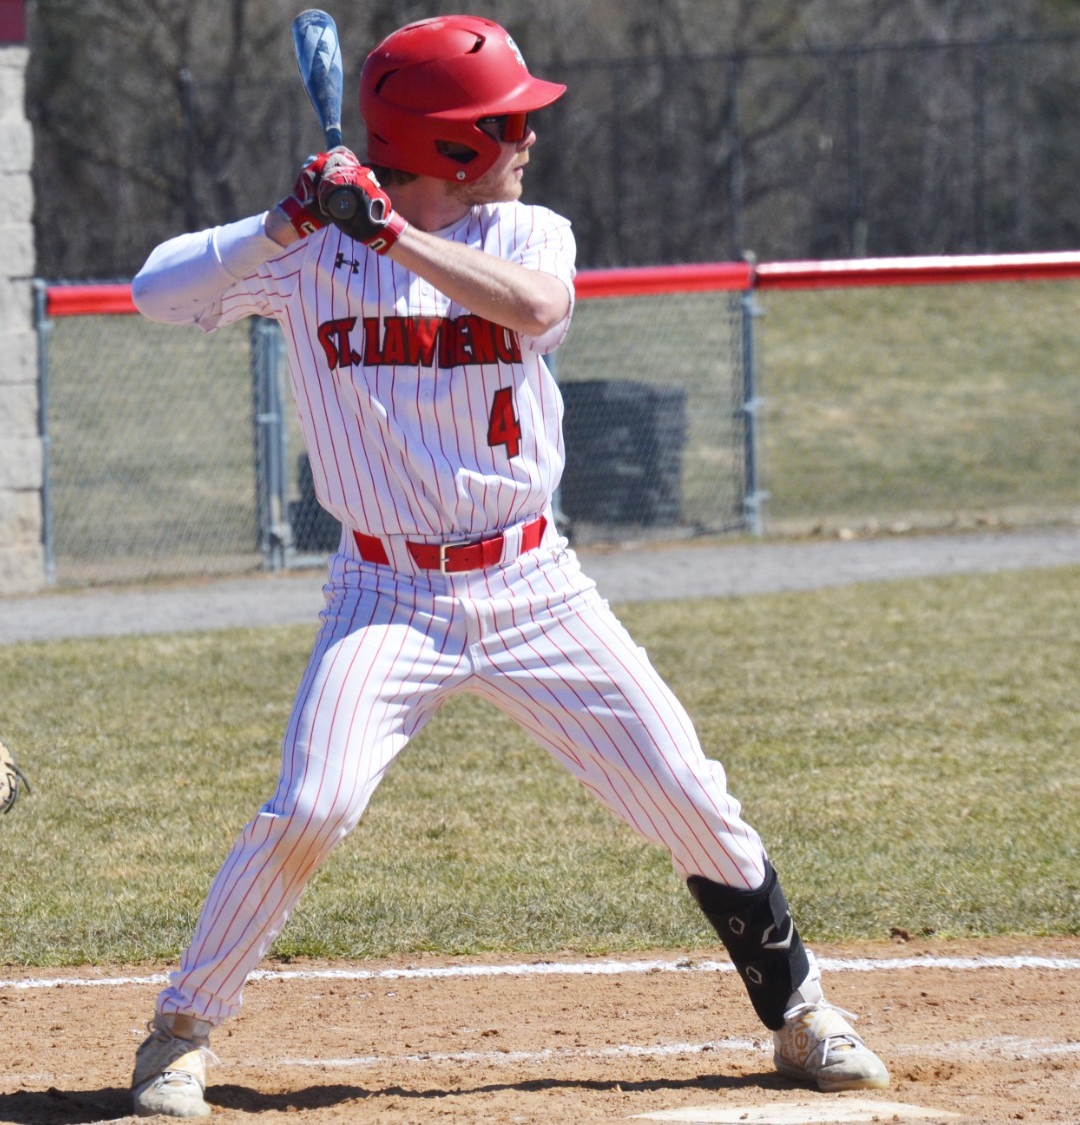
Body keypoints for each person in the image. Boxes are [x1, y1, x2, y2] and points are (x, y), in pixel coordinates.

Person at [125, 15, 890, 1117]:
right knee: (312, 803)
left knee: (682, 788)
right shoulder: (304, 256)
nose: (526, 136)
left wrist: (388, 235)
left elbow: (537, 313)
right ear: (445, 142)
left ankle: (803, 1012)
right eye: (505, 123)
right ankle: (180, 1033)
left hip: (533, 584)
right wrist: (285, 221)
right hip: (384, 593)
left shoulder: (527, 233)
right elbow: (154, 287)